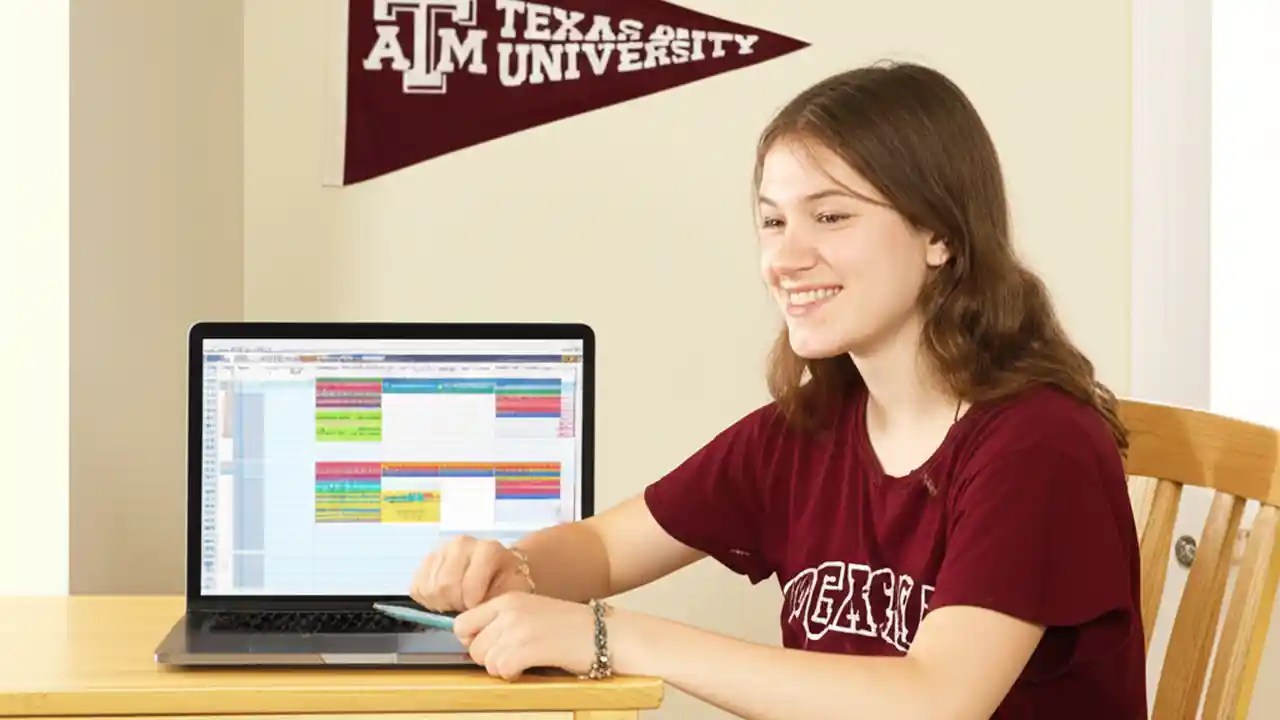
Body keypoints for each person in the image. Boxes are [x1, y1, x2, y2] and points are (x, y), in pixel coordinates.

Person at [409, 60, 1147, 719]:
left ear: (940, 235)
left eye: (830, 216)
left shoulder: (1040, 445)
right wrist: (521, 569)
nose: (785, 259)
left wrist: (609, 636)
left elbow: (935, 701)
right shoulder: (805, 431)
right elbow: (603, 549)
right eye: (772, 221)